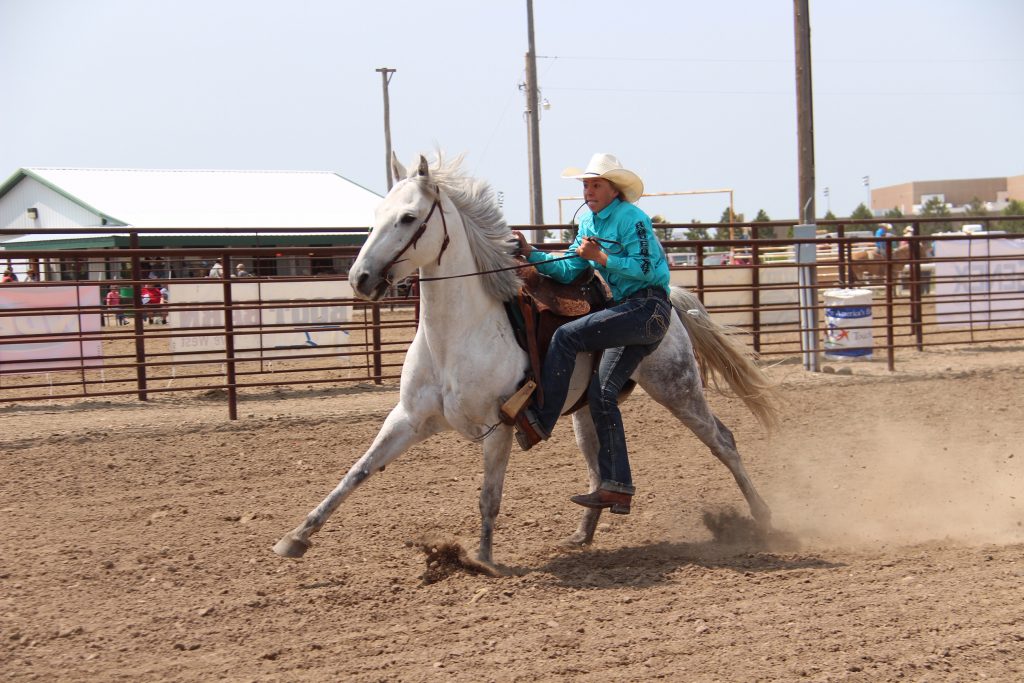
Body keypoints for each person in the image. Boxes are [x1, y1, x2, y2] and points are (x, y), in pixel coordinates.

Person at [511, 153, 672, 515]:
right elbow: (569, 269)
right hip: (629, 311)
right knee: (601, 394)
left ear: (614, 189)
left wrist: (603, 259)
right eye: (586, 184)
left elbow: (650, 269)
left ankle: (543, 419)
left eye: (596, 184)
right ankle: (617, 487)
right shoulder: (586, 220)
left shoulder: (633, 219)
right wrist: (531, 252)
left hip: (649, 308)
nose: (588, 190)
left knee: (567, 337)